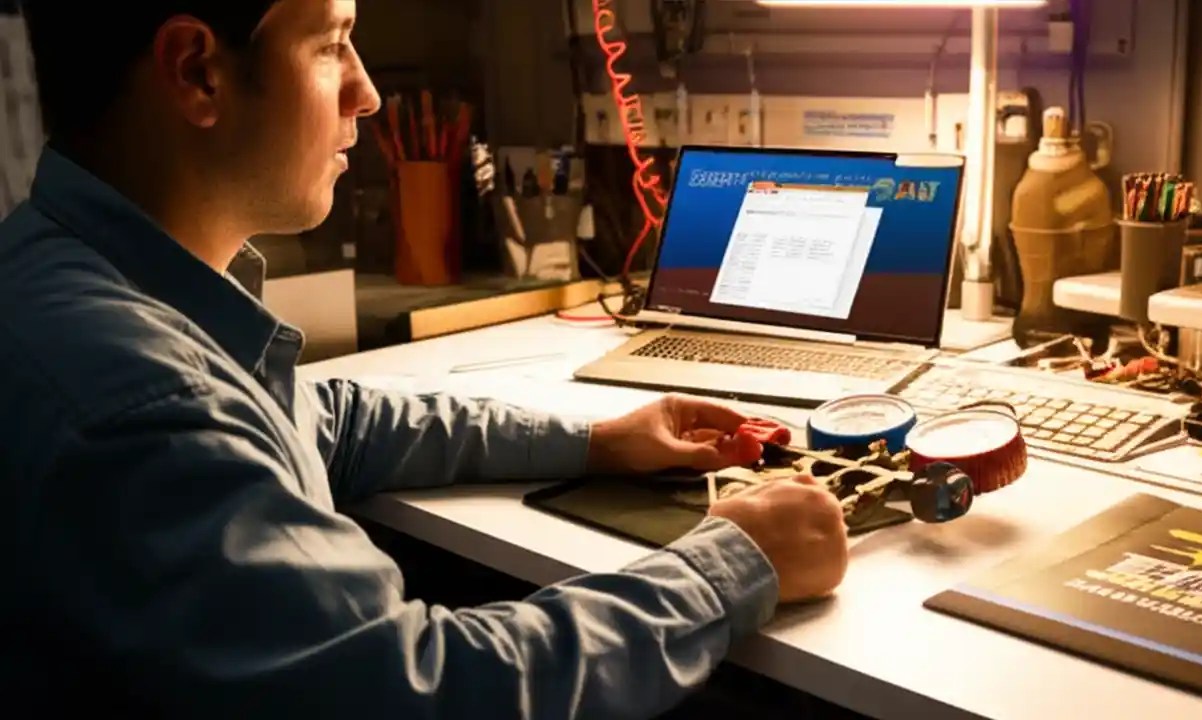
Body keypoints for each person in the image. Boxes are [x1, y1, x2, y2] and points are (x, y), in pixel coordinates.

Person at [0, 1, 850, 718]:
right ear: (197, 73)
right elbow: (431, 691)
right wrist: (733, 562)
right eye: (332, 43)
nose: (367, 93)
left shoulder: (76, 274)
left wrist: (602, 441)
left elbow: (329, 422)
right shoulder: (141, 403)